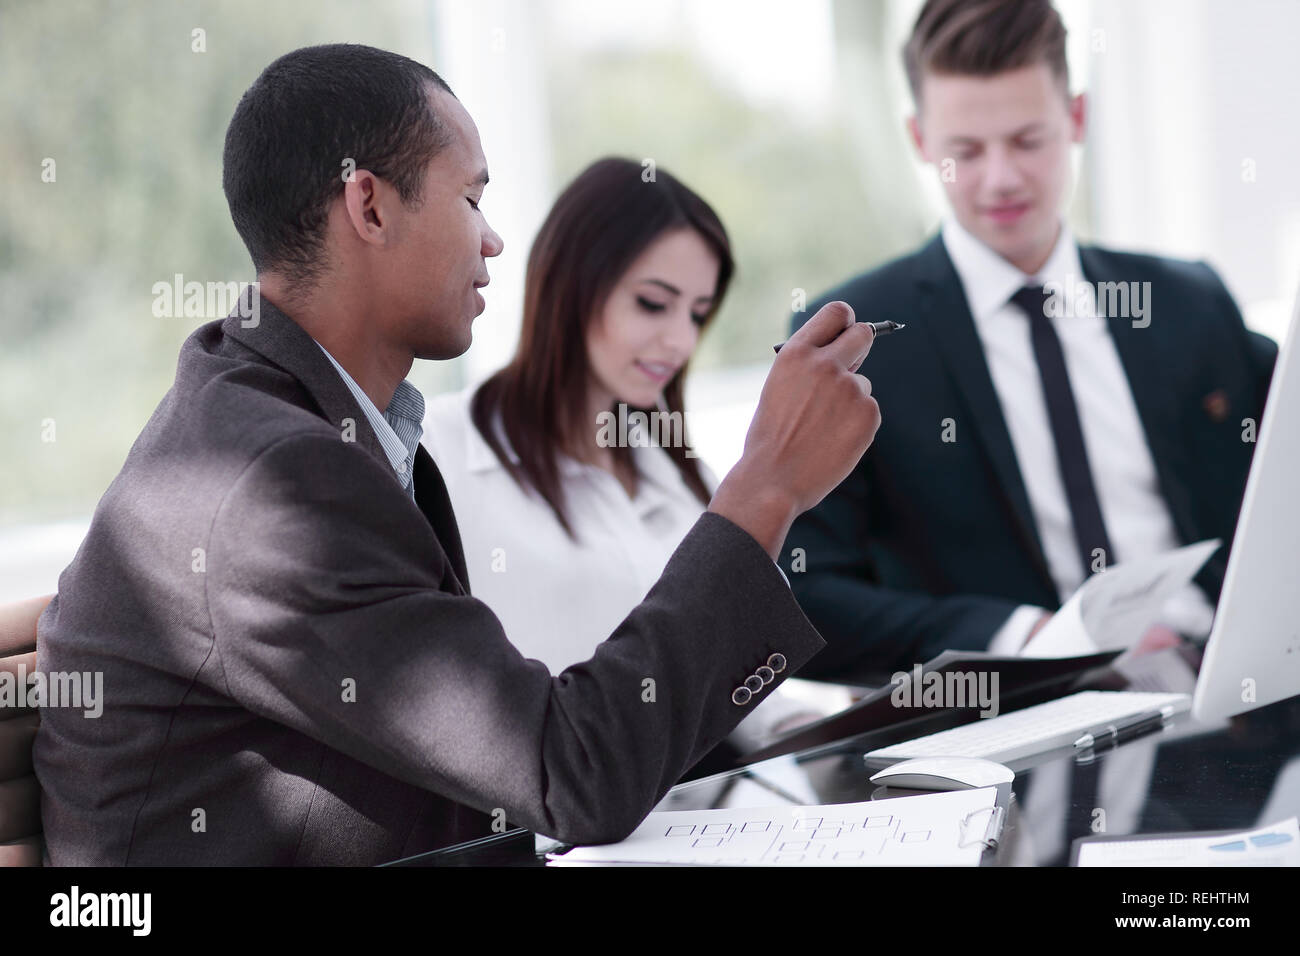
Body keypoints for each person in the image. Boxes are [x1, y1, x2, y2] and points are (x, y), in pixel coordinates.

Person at [31, 44, 880, 866]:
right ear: (368, 206)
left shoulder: (288, 415)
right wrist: (766, 485)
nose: (493, 241)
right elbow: (573, 773)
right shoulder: (275, 486)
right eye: (471, 199)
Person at [784, 0, 1276, 683]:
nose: (1001, 179)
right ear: (920, 140)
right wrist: (1025, 635)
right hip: (1017, 720)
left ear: (1077, 119)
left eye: (1027, 140)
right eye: (966, 151)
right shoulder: (858, 337)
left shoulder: (1189, 303)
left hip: (1228, 696)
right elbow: (801, 595)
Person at [425, 158, 824, 766]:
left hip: (708, 821)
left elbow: (721, 676)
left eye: (697, 312)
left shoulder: (685, 478)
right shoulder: (440, 450)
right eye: (652, 303)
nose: (681, 342)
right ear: (572, 284)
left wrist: (821, 729)